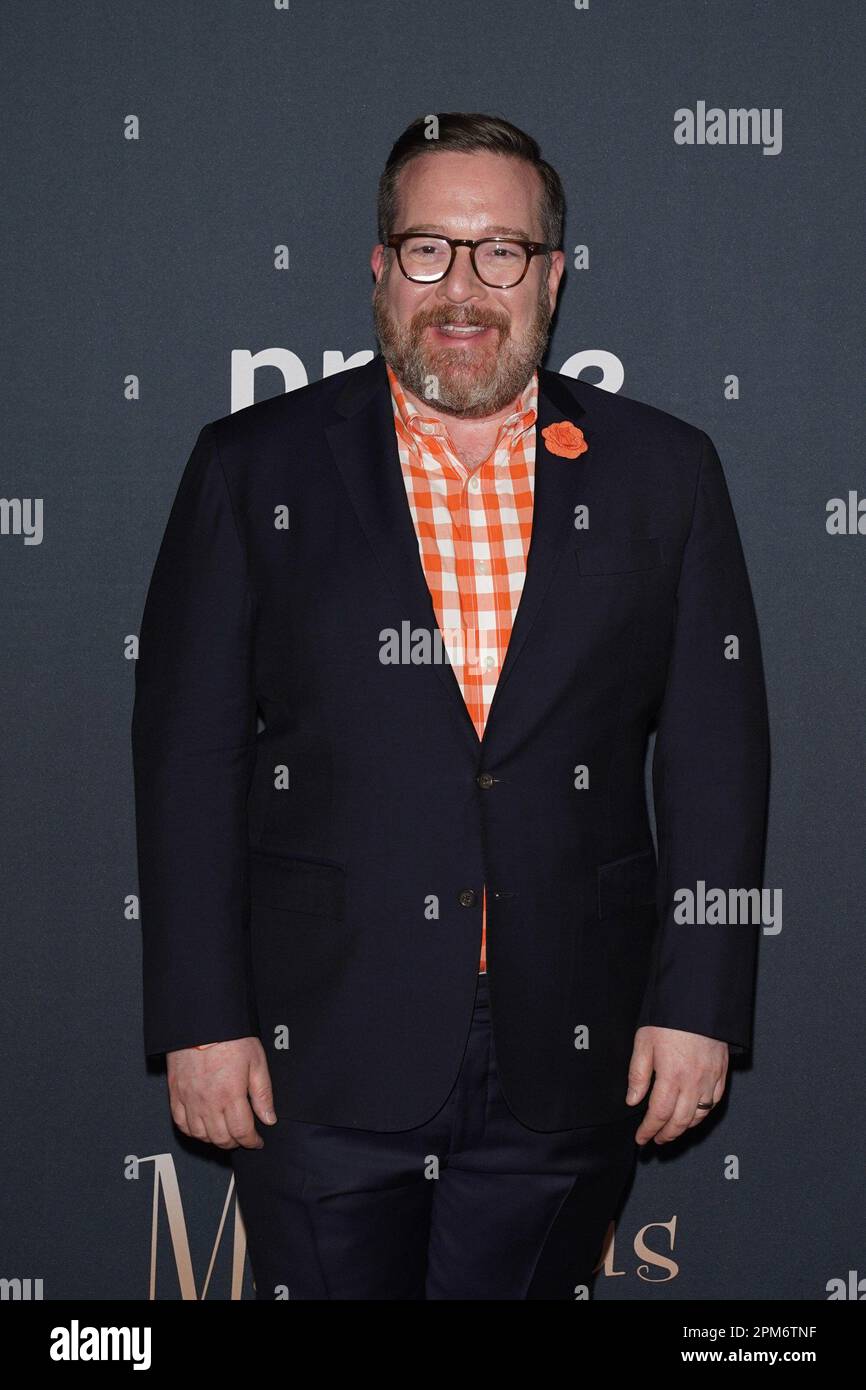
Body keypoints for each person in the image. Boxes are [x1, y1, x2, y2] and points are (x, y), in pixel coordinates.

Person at [131, 112, 770, 1300]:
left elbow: (713, 757)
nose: (462, 288)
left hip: (567, 1040)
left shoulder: (661, 472)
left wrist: (698, 1006)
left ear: (552, 276)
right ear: (378, 269)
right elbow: (187, 760)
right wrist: (199, 1018)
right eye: (429, 249)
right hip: (310, 1050)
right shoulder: (252, 467)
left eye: (499, 252)